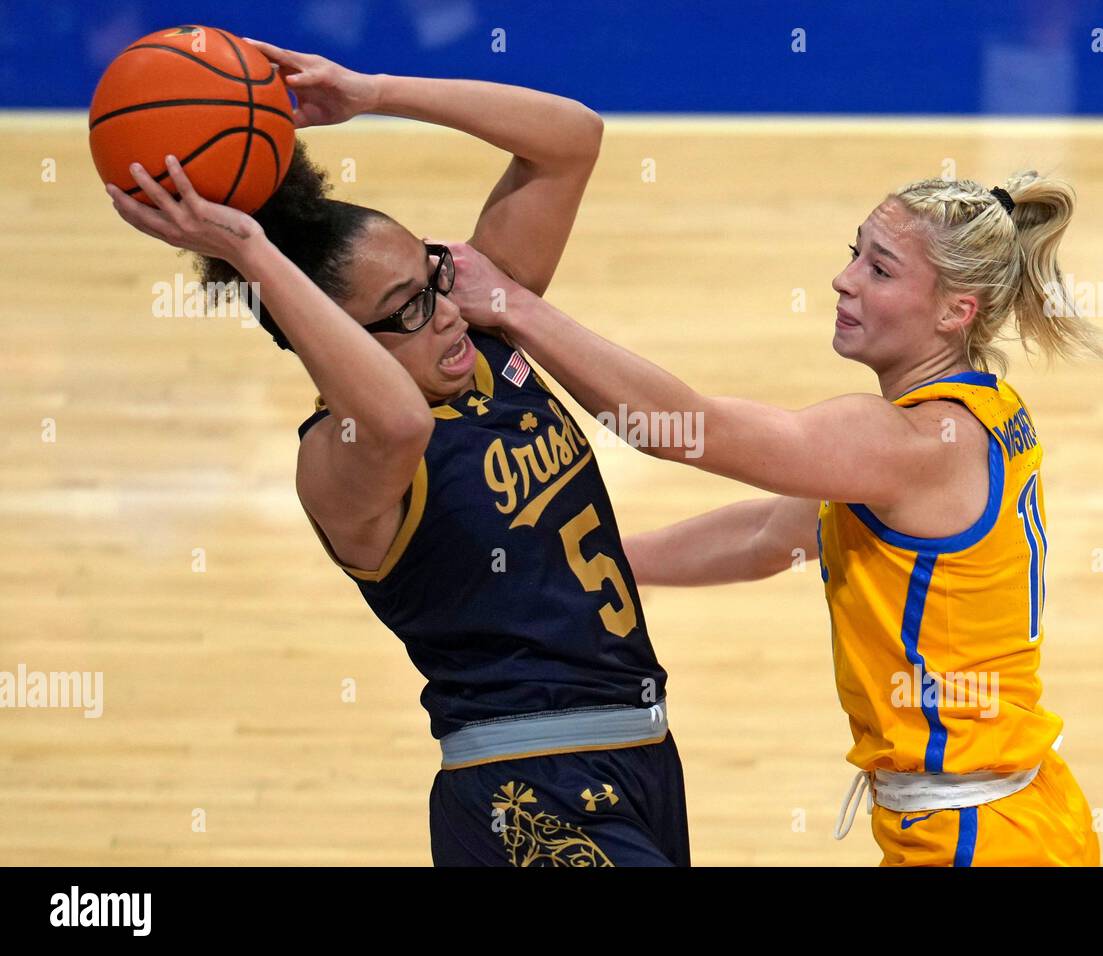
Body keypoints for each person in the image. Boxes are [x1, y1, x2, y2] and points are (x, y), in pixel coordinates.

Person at [105, 42, 688, 867]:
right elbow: (397, 424)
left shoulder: (478, 341)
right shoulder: (340, 461)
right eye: (405, 310)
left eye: (434, 277)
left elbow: (570, 140)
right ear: (335, 340)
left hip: (640, 757)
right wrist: (249, 254)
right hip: (522, 788)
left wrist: (373, 90)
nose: (445, 313)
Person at [447, 172, 1103, 866]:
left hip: (978, 837)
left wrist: (511, 306)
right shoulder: (986, 413)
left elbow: (681, 428)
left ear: (956, 311)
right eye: (854, 253)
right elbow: (768, 537)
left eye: (879, 269)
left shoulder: (906, 443)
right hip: (1025, 811)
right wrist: (595, 567)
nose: (843, 280)